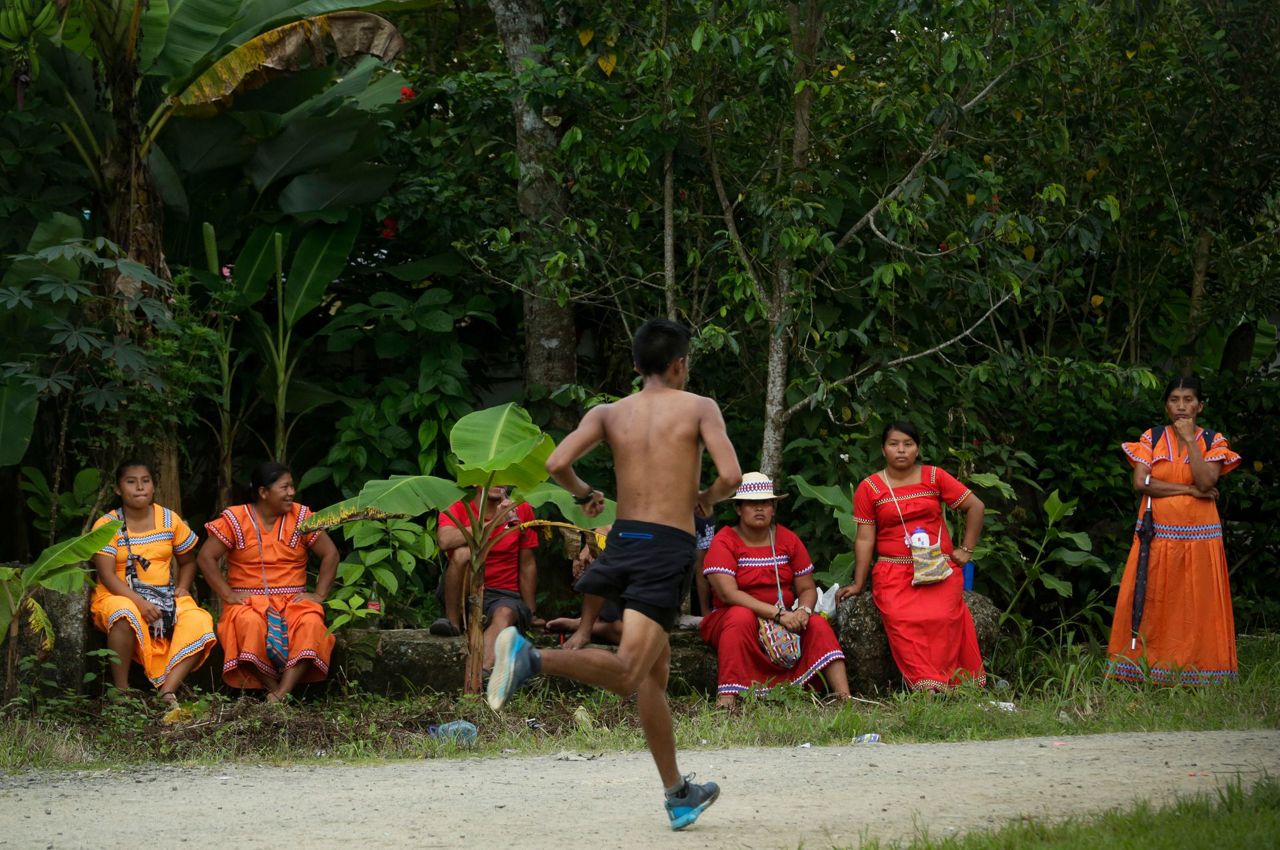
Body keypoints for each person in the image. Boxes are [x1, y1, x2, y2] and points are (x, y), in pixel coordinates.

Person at [486, 318, 742, 831]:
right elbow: (732, 476)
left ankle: (678, 794)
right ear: (680, 364)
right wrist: (706, 500)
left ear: (635, 366)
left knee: (653, 672)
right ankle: (530, 658)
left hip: (622, 542)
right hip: (666, 548)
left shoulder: (608, 412)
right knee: (629, 670)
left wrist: (584, 494)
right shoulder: (699, 407)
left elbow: (558, 462)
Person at [1105, 374, 1242, 685]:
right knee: (1153, 598)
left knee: (1197, 603)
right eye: (1175, 400)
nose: (1182, 406)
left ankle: (1201, 673)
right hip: (1157, 536)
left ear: (1200, 405)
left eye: (1189, 400)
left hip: (1201, 540)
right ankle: (1144, 672)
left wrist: (1190, 440)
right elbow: (1141, 483)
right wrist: (1188, 492)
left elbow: (1207, 481)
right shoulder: (1151, 438)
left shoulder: (1212, 440)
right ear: (1166, 405)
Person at [837, 421, 987, 692]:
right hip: (893, 572)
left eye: (908, 444)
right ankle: (927, 685)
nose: (901, 450)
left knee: (943, 616)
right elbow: (864, 538)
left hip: (937, 568)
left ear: (917, 449)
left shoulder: (934, 476)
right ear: (883, 449)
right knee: (900, 618)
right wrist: (859, 583)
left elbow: (975, 506)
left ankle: (952, 683)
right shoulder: (869, 487)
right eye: (894, 444)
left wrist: (966, 550)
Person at [700, 472, 850, 709]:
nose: (759, 509)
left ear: (774, 508)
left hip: (785, 616)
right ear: (739, 509)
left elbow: (807, 587)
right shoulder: (725, 541)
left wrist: (802, 611)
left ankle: (845, 698)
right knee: (740, 617)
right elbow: (729, 594)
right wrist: (778, 614)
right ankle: (728, 698)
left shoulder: (788, 539)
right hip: (733, 617)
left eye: (765, 503)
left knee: (818, 624)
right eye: (752, 504)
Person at [197, 462, 340, 701]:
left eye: (292, 486)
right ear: (263, 492)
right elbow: (205, 557)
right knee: (248, 624)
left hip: (294, 601)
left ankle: (280, 694)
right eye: (284, 487)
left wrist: (319, 595)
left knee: (311, 623)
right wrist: (229, 595)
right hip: (248, 602)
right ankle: (275, 689)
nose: (291, 493)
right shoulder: (236, 518)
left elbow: (331, 554)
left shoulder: (302, 517)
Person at [89, 461, 216, 704]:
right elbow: (106, 575)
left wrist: (183, 587)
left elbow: (188, 562)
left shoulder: (169, 519)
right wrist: (139, 603)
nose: (139, 487)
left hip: (165, 596)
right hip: (115, 596)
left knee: (199, 619)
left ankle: (167, 691)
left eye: (145, 481)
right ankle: (122, 691)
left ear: (153, 486)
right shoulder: (107, 524)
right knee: (124, 612)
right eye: (131, 481)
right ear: (118, 489)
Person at [431, 485, 539, 671]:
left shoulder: (521, 509)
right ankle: (453, 622)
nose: (498, 482)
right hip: (462, 589)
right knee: (463, 552)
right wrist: (496, 522)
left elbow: (527, 564)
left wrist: (531, 612)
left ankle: (480, 672)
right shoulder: (458, 504)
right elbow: (445, 541)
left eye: (503, 477)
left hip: (503, 595)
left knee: (504, 614)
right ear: (475, 482)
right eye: (492, 476)